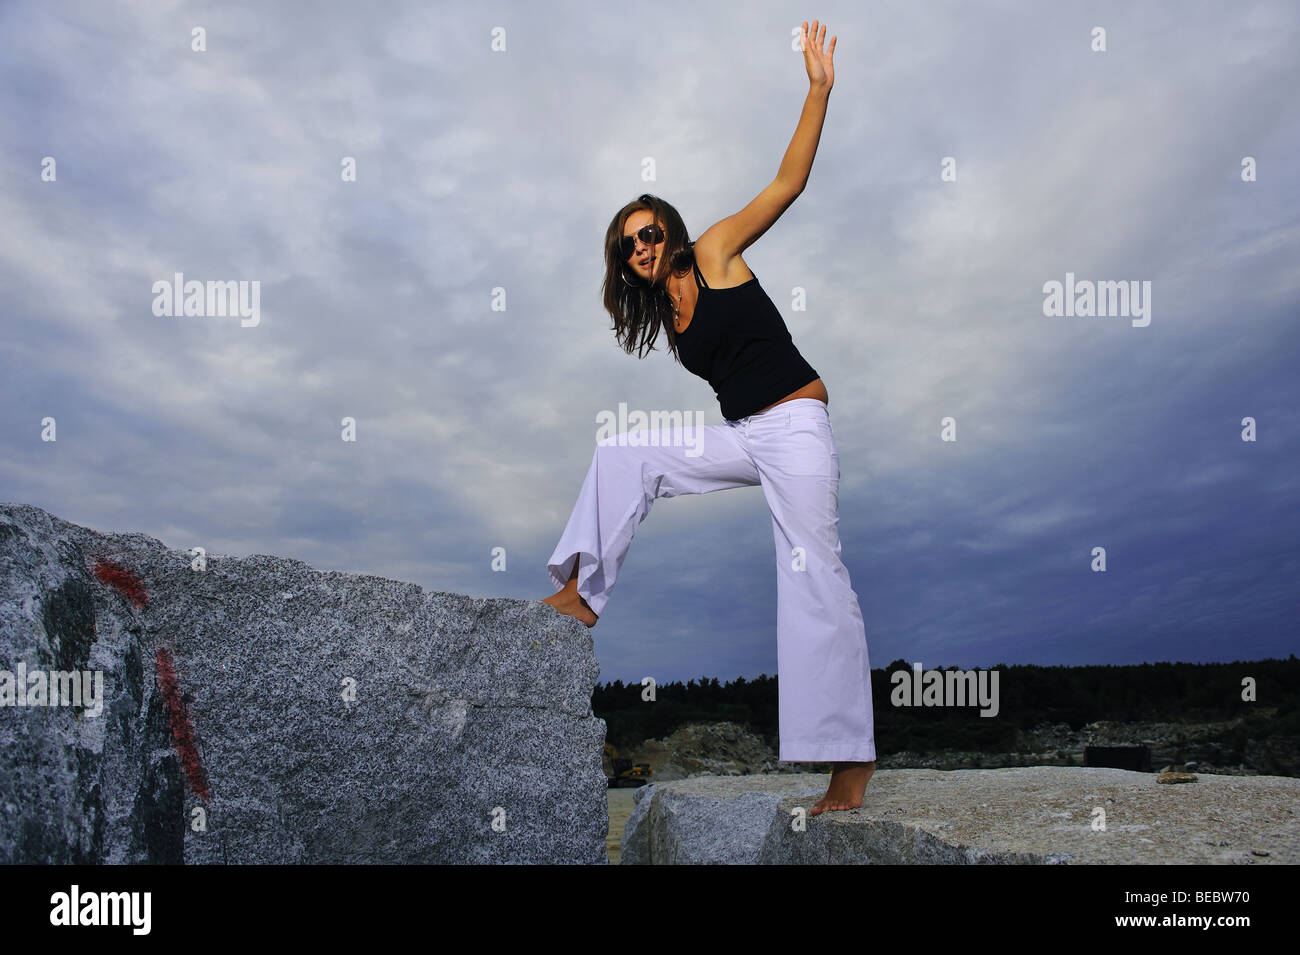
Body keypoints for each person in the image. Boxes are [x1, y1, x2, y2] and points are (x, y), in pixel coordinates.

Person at [542, 21, 873, 815]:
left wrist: (817, 91)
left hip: (795, 424)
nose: (642, 248)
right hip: (746, 436)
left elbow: (786, 184)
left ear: (672, 230)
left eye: (649, 233)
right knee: (629, 451)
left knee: (812, 573)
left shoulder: (717, 251)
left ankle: (849, 766)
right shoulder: (666, 314)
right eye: (628, 246)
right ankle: (584, 590)